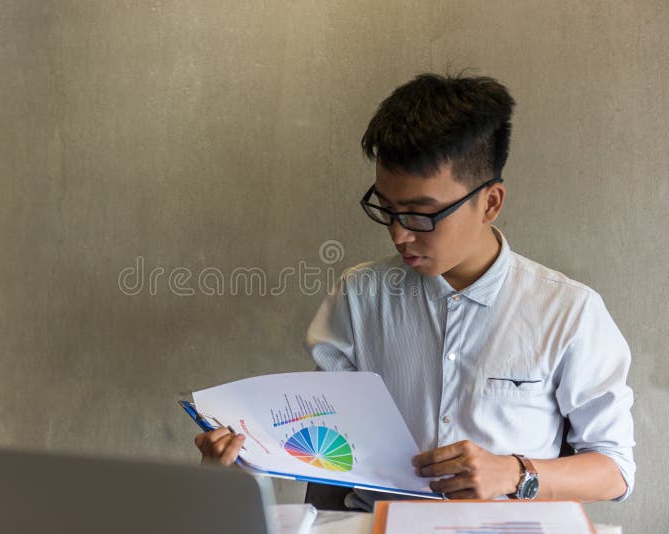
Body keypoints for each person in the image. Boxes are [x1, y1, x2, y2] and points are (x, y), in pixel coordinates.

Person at [194, 73, 635, 508]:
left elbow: (615, 469)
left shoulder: (569, 311)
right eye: (386, 210)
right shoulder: (360, 294)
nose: (399, 235)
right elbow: (326, 443)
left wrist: (516, 472)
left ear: (491, 202)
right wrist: (243, 460)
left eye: (422, 214)